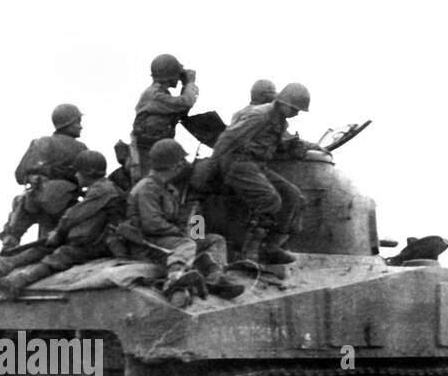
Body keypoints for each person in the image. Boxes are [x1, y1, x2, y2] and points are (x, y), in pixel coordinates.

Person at [113, 139, 243, 301]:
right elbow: (151, 223)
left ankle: (215, 277)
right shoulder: (147, 188)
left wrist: (194, 230)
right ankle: (174, 279)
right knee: (186, 244)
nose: (184, 165)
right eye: (181, 161)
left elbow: (183, 219)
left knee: (214, 240)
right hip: (146, 243)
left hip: (167, 239)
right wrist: (181, 233)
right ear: (174, 165)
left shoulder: (169, 188)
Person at [0, 150, 124, 299]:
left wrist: (58, 232)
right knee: (46, 246)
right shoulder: (103, 188)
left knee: (63, 254)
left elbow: (74, 216)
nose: (76, 176)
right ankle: (7, 264)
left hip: (100, 243)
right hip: (96, 238)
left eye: (79, 172)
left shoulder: (101, 190)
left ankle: (16, 283)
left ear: (88, 173)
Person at [208, 82, 321, 264]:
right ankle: (249, 253)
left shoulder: (280, 121)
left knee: (292, 196)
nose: (297, 113)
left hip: (257, 164)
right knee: (269, 199)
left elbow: (284, 142)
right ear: (283, 102)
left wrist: (307, 147)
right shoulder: (260, 115)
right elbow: (228, 138)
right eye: (294, 109)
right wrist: (213, 165)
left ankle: (272, 247)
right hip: (238, 162)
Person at [0, 104, 87, 251]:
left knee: (19, 210)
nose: (80, 127)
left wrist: (35, 176)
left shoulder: (41, 143)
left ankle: (8, 246)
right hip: (65, 208)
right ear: (67, 123)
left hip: (35, 201)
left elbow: (20, 175)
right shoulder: (82, 149)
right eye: (77, 122)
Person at [129, 54, 198, 183]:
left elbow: (180, 109)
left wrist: (185, 86)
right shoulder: (155, 95)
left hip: (156, 153)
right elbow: (186, 102)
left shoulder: (159, 94)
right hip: (147, 156)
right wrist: (190, 83)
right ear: (170, 76)